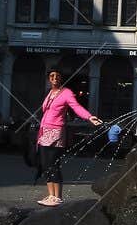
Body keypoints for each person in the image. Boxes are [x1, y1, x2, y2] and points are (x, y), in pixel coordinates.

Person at [35, 67, 102, 206]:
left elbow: (76, 107)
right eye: (52, 76)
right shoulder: (49, 93)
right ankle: (50, 195)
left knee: (53, 164)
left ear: (61, 78)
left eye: (57, 76)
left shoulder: (66, 93)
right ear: (49, 78)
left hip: (56, 131)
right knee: (45, 165)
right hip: (44, 132)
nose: (54, 78)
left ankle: (57, 196)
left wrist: (89, 117)